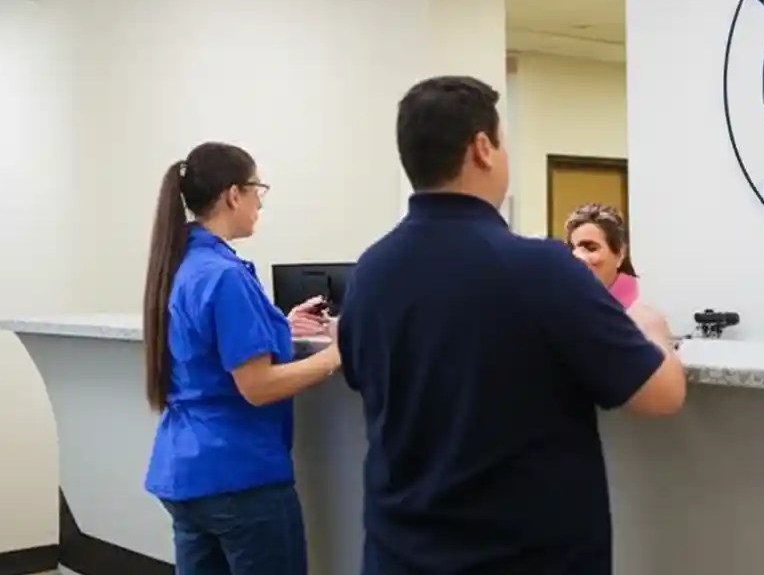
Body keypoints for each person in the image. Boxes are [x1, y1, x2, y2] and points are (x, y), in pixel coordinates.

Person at [336, 75, 687, 574]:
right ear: (482, 147)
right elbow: (661, 395)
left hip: (399, 555)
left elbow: (362, 376)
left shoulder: (371, 270)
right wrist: (653, 330)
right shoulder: (538, 269)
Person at [141, 141, 342, 575]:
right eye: (258, 191)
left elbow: (205, 348)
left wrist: (278, 327)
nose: (258, 203)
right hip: (239, 476)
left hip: (186, 473)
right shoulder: (225, 276)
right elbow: (258, 386)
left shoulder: (181, 265)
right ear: (235, 194)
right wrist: (336, 356)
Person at [563, 202, 672, 342]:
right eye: (573, 249)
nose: (579, 257)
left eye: (591, 248)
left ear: (620, 254)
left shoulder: (645, 323)